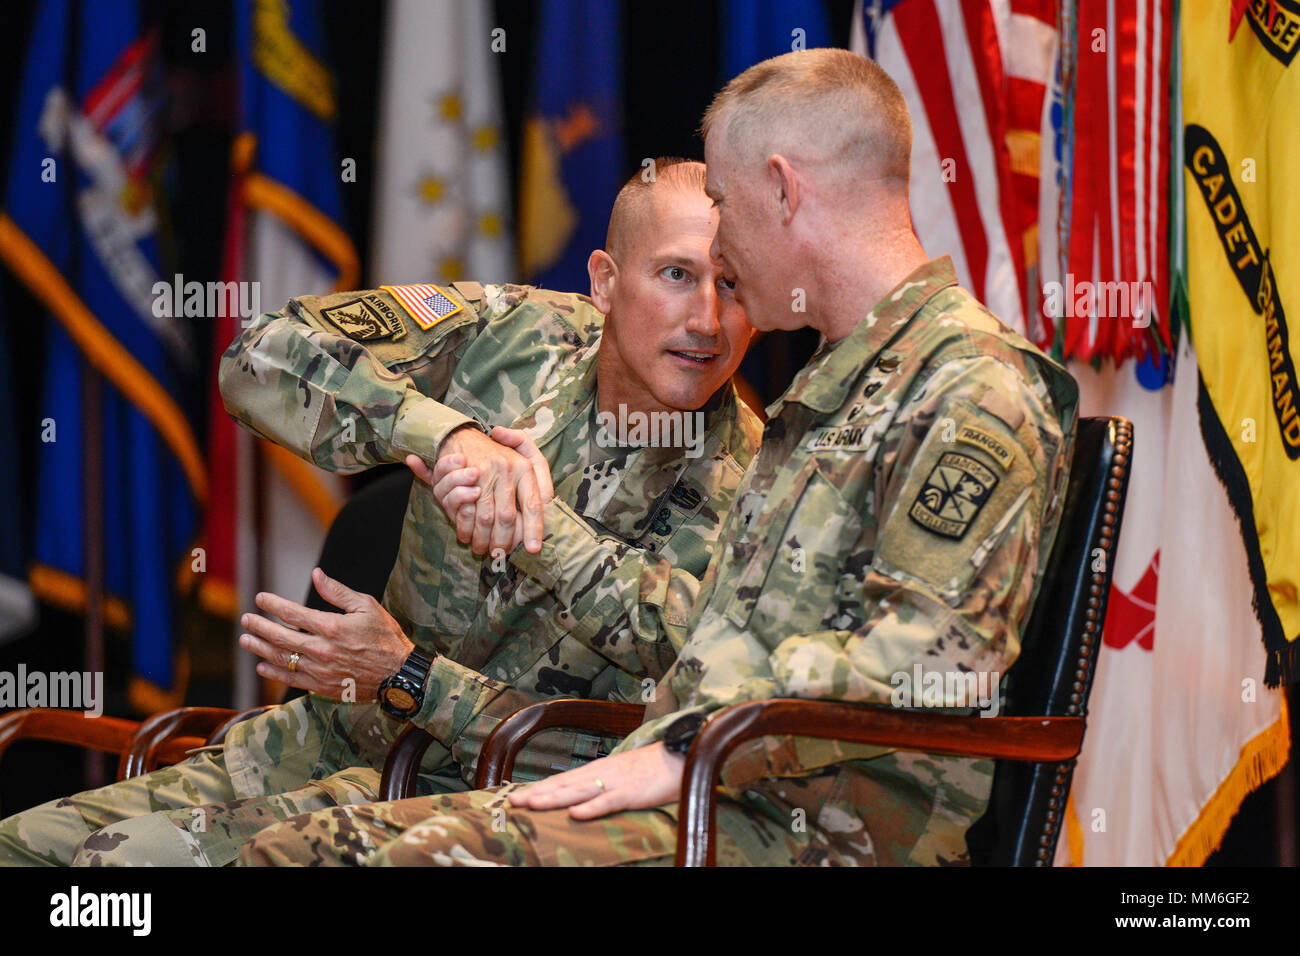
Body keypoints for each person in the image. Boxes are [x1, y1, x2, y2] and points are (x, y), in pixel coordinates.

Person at [238, 48, 1080, 867]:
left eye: (724, 199)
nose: (720, 259)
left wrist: (683, 745)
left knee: (321, 860)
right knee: (291, 850)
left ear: (783, 189)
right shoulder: (836, 386)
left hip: (801, 827)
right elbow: (709, 633)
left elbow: (941, 657)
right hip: (703, 791)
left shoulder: (970, 386)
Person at [0, 158, 761, 866]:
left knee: (118, 870)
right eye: (675, 274)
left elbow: (668, 750)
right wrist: (448, 434)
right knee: (26, 846)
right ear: (605, 280)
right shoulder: (511, 335)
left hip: (471, 805)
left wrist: (409, 675)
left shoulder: (757, 483)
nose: (706, 319)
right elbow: (260, 358)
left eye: (732, 285)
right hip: (328, 735)